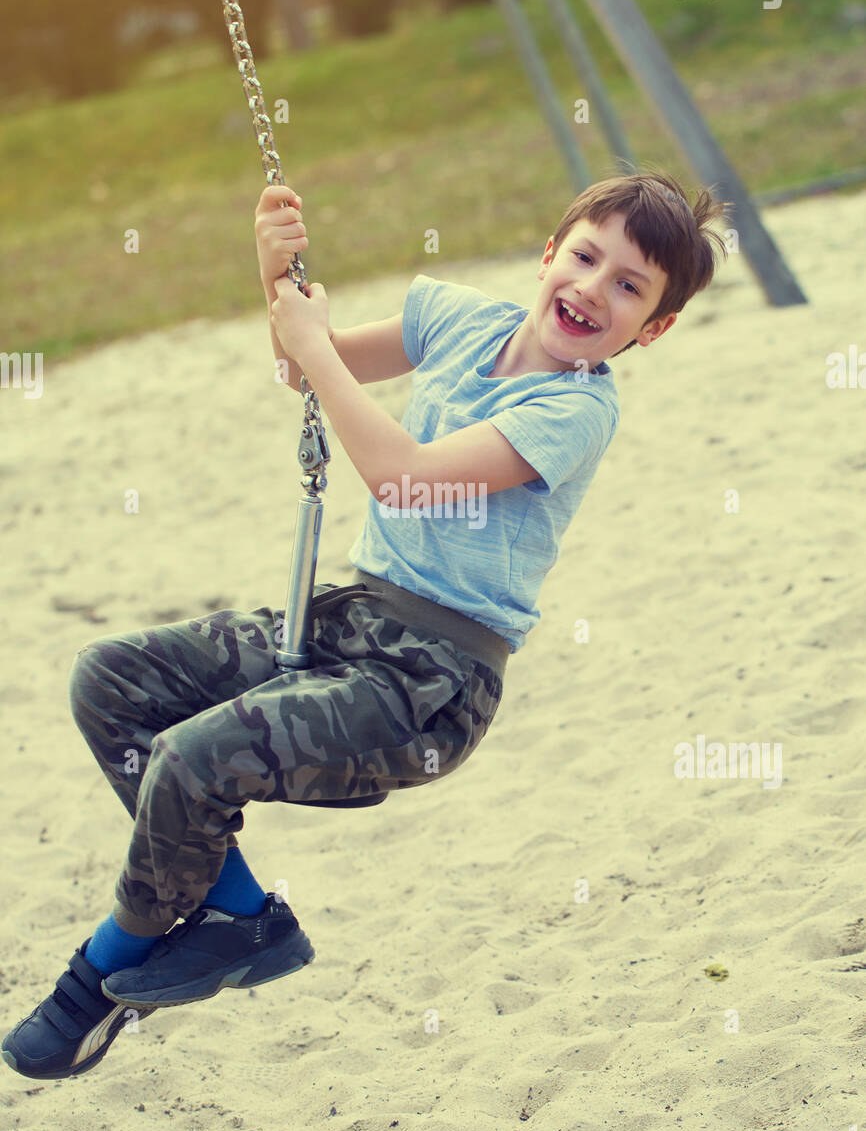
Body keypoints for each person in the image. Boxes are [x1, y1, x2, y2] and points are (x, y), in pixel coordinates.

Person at [2, 167, 728, 1080]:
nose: (592, 289)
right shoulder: (458, 319)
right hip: (351, 621)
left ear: (651, 330)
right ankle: (236, 914)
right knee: (108, 681)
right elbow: (305, 366)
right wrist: (274, 275)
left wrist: (313, 346)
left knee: (193, 760)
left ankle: (98, 970)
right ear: (548, 254)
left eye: (629, 286)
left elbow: (407, 476)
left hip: (429, 684)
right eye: (585, 257)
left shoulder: (575, 411)